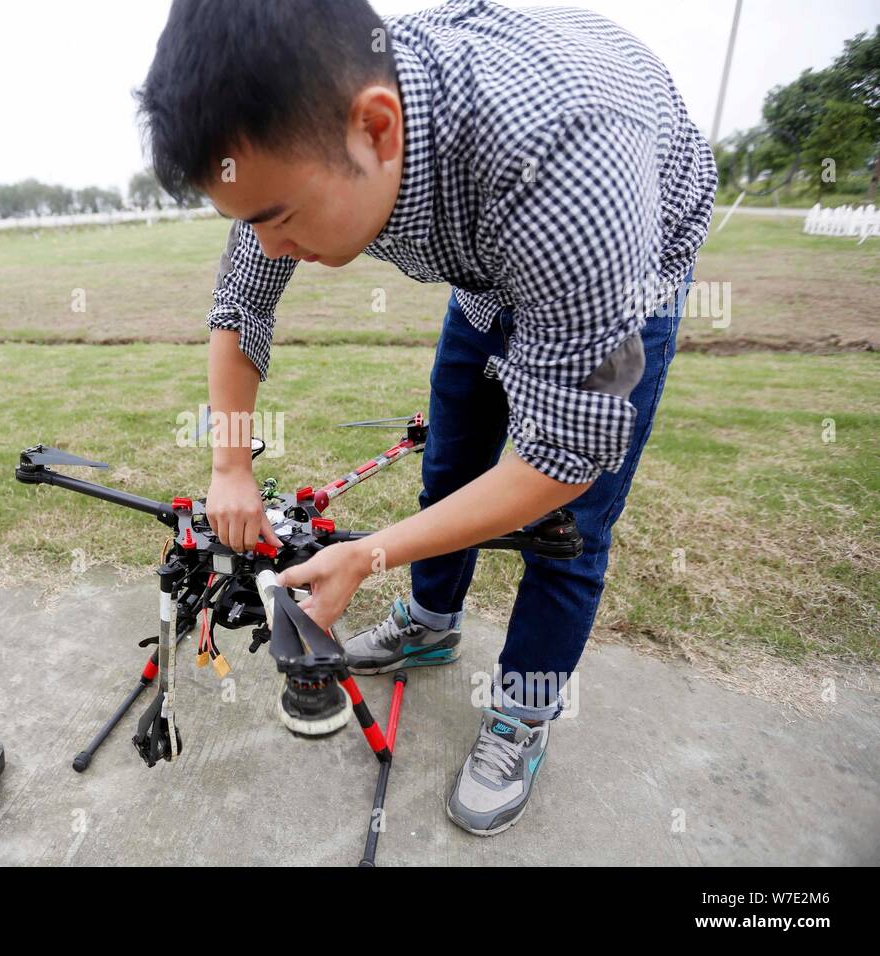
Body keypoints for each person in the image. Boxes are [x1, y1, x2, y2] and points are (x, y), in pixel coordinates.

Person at [136, 0, 716, 836]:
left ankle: (523, 708)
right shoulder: (294, 130)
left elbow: (563, 456)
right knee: (450, 460)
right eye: (244, 221)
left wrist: (367, 554)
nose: (263, 248)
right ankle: (432, 625)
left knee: (570, 530)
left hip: (628, 268)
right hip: (488, 265)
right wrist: (230, 466)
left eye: (276, 220)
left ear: (377, 129)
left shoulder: (567, 157)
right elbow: (241, 304)